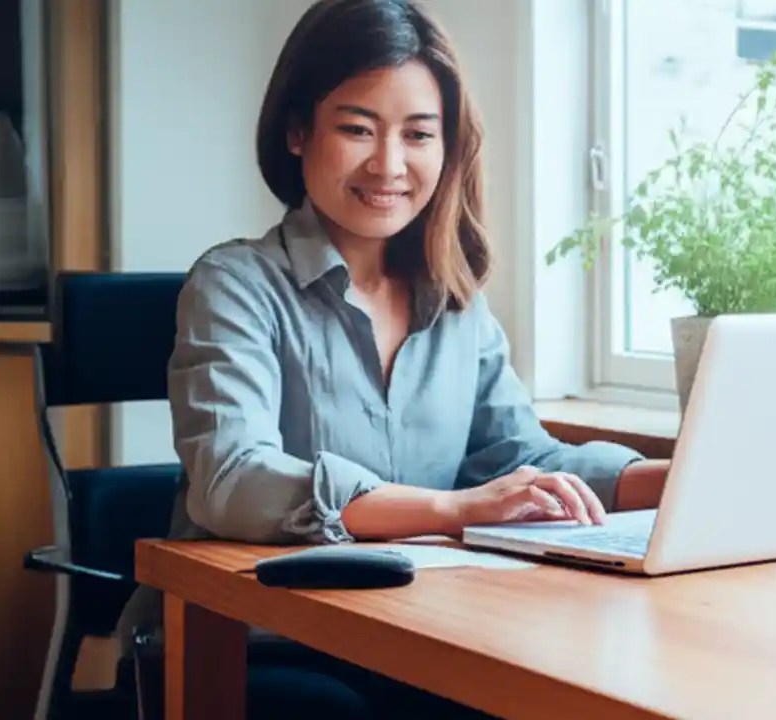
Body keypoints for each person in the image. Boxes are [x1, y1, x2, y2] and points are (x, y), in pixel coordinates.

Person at [117, 0, 669, 716]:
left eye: (418, 134)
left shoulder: (457, 300)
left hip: (417, 631)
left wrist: (678, 480)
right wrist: (451, 510)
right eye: (357, 129)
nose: (389, 164)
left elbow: (520, 458)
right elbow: (233, 480)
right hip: (253, 638)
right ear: (296, 130)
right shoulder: (235, 284)